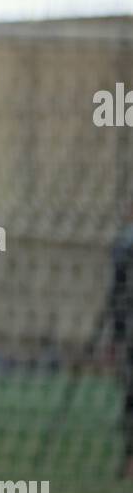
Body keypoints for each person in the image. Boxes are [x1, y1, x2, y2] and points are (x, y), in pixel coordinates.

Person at [107, 204, 133, 478]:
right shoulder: (125, 244)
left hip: (127, 329)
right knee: (129, 394)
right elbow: (116, 294)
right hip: (128, 329)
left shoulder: (124, 245)